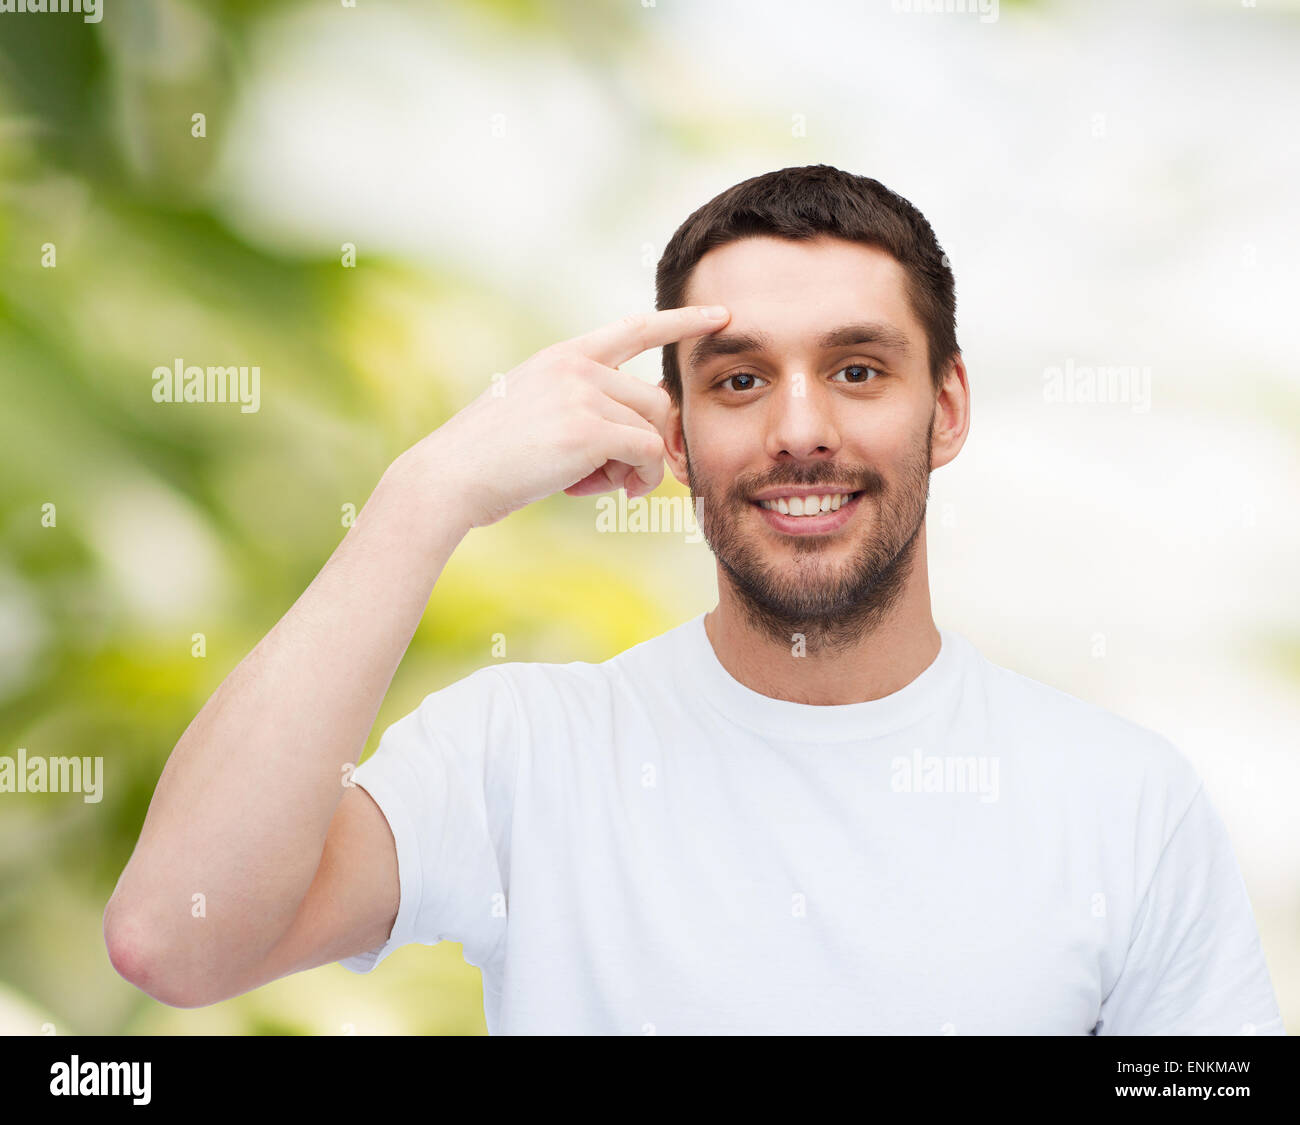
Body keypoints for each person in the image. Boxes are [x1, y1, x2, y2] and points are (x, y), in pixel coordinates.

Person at [104, 165, 1285, 1035]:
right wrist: (425, 495)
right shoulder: (527, 753)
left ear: (949, 410)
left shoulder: (1123, 802)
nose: (801, 430)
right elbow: (175, 938)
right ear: (674, 432)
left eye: (858, 370)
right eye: (739, 380)